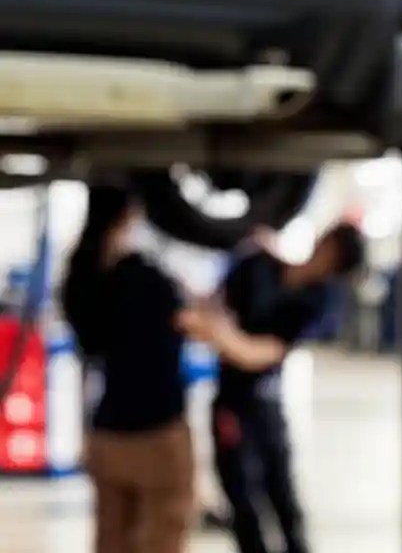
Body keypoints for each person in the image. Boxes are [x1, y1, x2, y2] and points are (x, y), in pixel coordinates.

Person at [179, 222, 365, 553]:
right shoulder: (259, 265)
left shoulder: (318, 301)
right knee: (241, 495)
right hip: (231, 401)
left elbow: (261, 353)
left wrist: (218, 332)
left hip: (264, 401)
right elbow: (214, 303)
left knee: (282, 494)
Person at [63, 185, 194, 553]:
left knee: (111, 540)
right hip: (157, 433)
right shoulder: (150, 280)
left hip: (106, 434)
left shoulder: (81, 281)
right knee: (160, 540)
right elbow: (192, 321)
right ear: (130, 215)